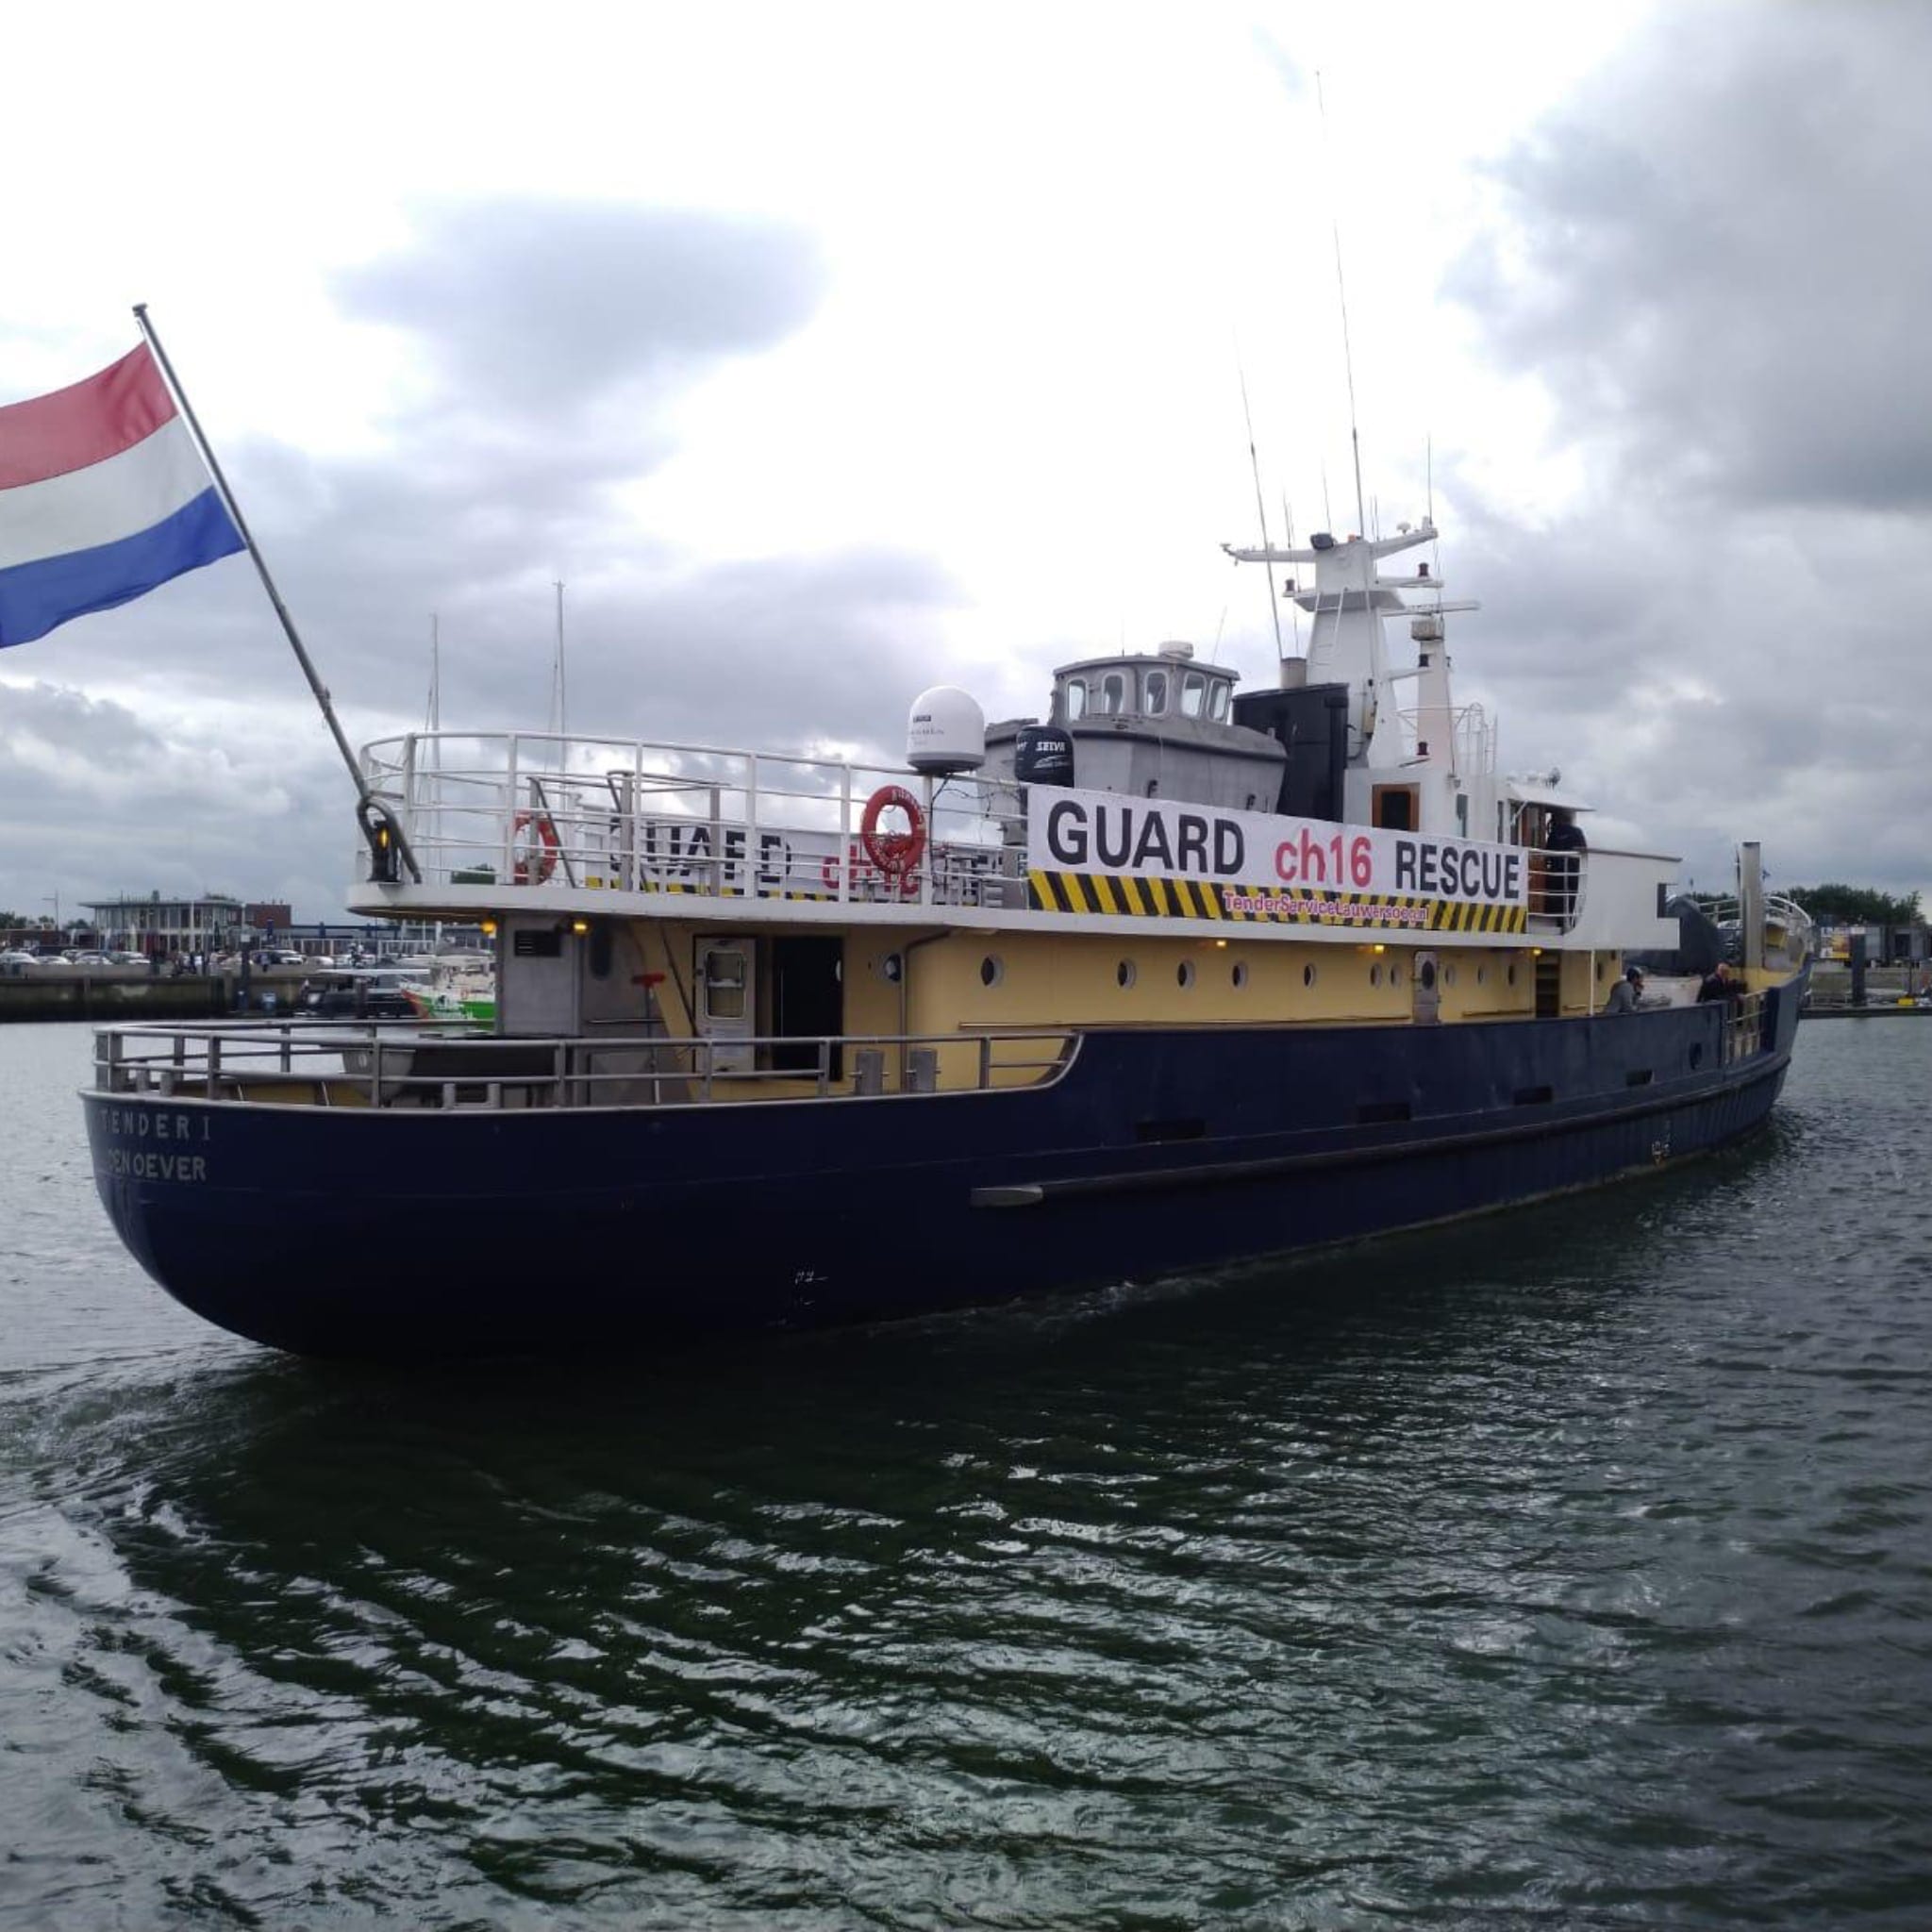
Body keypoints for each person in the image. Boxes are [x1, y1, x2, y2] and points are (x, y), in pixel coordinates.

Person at [1544, 808, 1587, 921]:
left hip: (1556, 872)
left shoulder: (1554, 834)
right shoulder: (1577, 832)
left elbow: (1547, 852)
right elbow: (1583, 851)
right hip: (1572, 872)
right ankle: (1566, 919)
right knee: (1570, 897)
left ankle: (1558, 918)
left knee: (1556, 896)